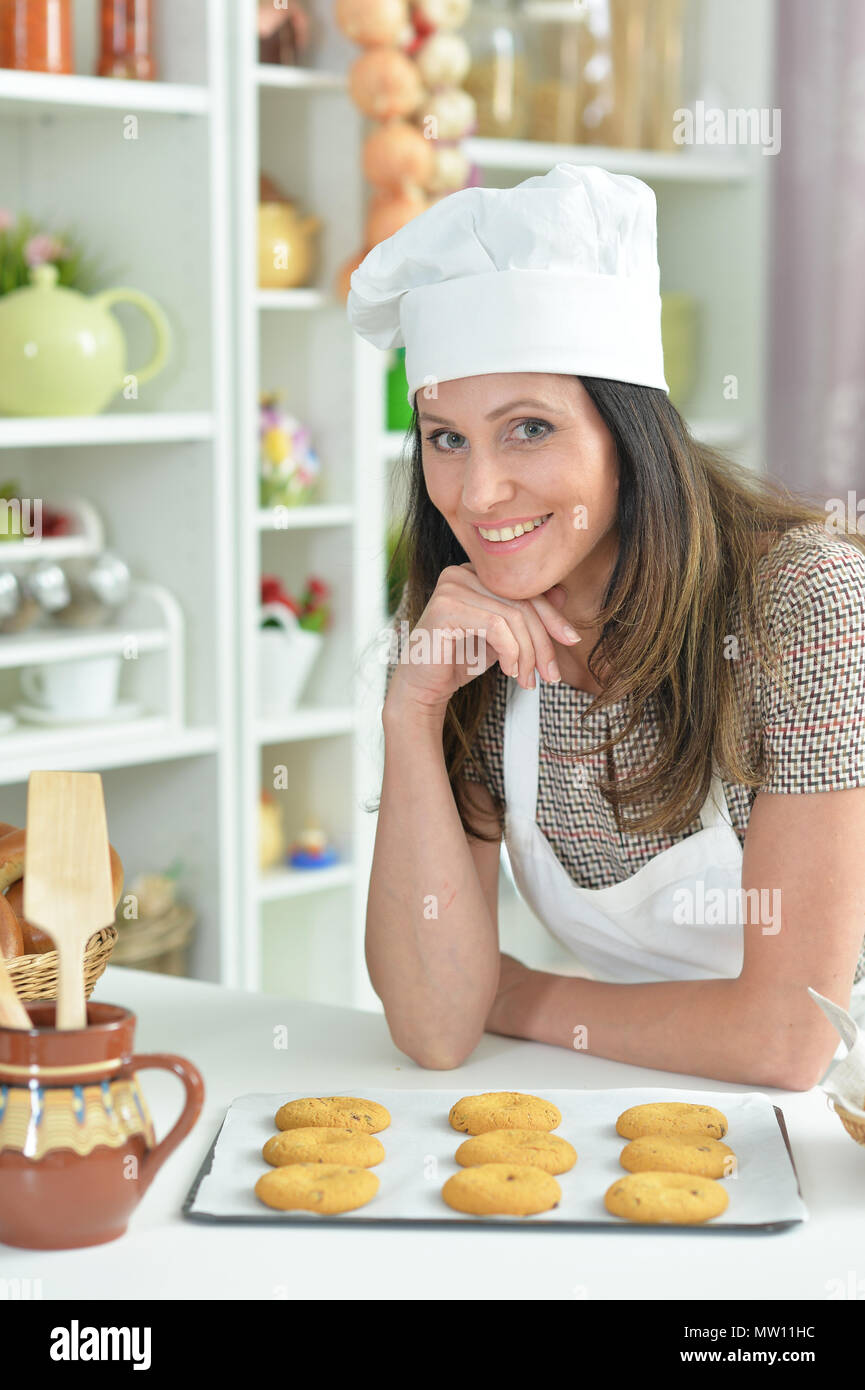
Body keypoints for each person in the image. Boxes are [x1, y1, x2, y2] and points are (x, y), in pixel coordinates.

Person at [347, 164, 865, 1088]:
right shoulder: (466, 618)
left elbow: (792, 1039)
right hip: (649, 1090)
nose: (478, 493)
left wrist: (510, 995)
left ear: (629, 434)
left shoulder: (801, 601)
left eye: (530, 429)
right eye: (446, 438)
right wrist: (411, 712)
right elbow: (430, 1026)